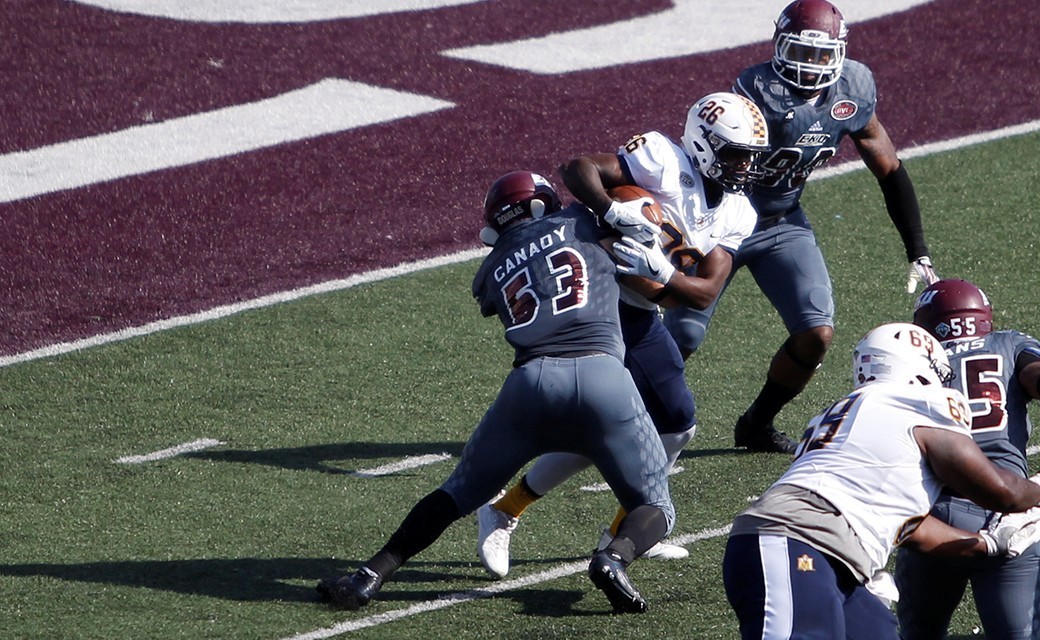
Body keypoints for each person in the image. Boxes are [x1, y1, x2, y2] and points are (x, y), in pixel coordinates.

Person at [316, 171, 675, 614]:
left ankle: (370, 574)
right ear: (543, 203)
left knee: (458, 492)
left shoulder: (487, 273)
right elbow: (594, 191)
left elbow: (504, 291)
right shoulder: (583, 219)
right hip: (604, 376)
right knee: (655, 506)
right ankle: (613, 557)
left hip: (531, 383)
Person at [475, 92, 769, 579]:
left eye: (748, 157)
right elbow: (577, 169)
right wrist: (612, 211)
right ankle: (505, 509)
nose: (743, 168)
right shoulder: (661, 160)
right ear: (702, 144)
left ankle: (625, 529)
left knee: (676, 423)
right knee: (587, 421)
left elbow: (702, 293)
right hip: (595, 299)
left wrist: (664, 273)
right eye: (735, 154)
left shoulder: (739, 212)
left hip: (639, 315)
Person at [663, 0, 939, 454]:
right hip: (723, 221)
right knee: (682, 337)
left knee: (816, 334)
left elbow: (888, 167)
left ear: (840, 52)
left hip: (781, 221)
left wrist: (918, 249)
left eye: (821, 55)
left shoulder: (853, 87)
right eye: (801, 53)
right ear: (778, 45)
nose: (810, 67)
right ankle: (621, 418)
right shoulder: (756, 89)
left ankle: (756, 424)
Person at [722, 322, 1040, 639]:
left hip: (833, 554)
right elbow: (1001, 491)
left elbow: (910, 526)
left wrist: (987, 544)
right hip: (794, 539)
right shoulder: (916, 403)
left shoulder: (851, 415)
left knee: (878, 629)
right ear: (919, 366)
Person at [894, 279, 1040, 639]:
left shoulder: (911, 361)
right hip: (1008, 513)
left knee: (919, 633)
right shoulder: (1009, 343)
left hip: (934, 514)